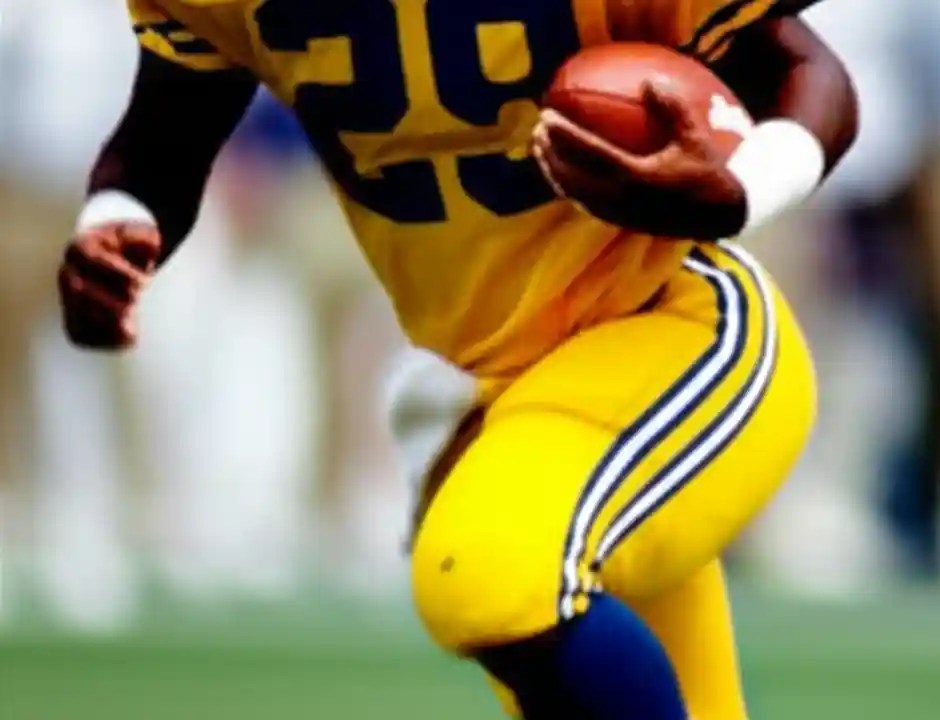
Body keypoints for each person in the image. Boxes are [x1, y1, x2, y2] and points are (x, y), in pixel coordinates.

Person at [56, 0, 857, 717]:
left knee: (488, 576)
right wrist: (116, 220)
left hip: (668, 328)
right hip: (497, 393)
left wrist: (739, 190)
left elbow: (805, 70)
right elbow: (168, 129)